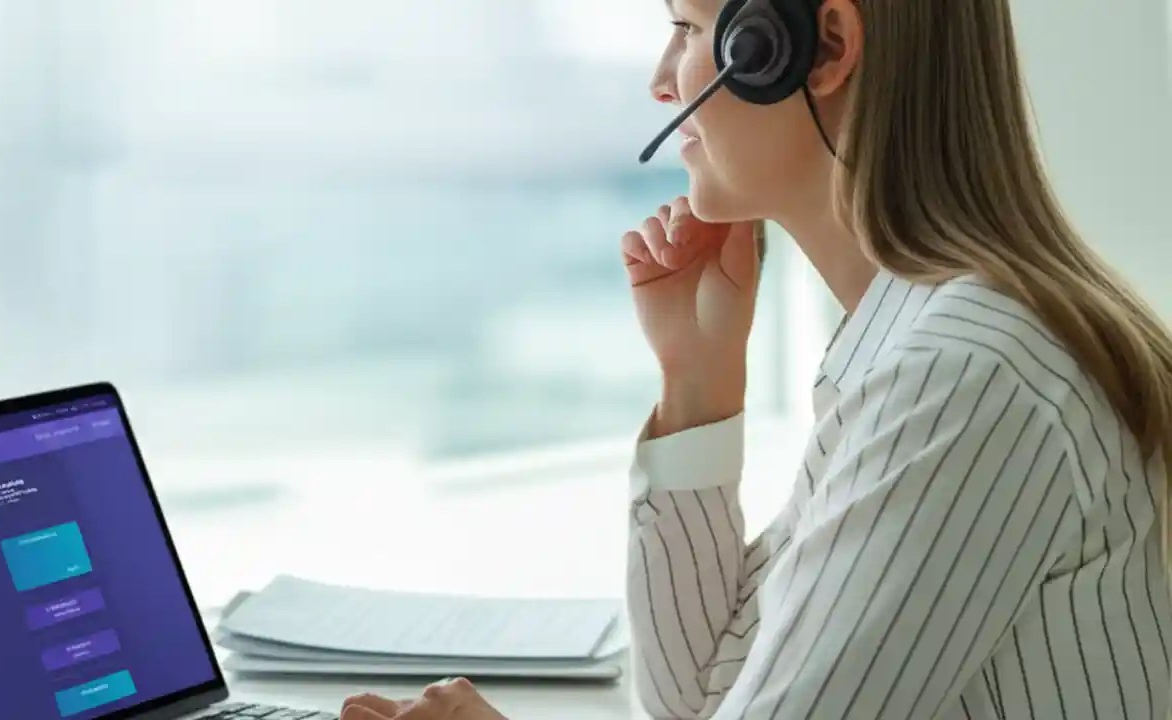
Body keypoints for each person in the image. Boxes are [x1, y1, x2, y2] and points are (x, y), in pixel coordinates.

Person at [340, 0, 1172, 717]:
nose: (662, 81)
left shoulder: (966, 377)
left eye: (687, 28)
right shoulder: (911, 347)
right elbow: (700, 694)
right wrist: (696, 383)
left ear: (821, 48)